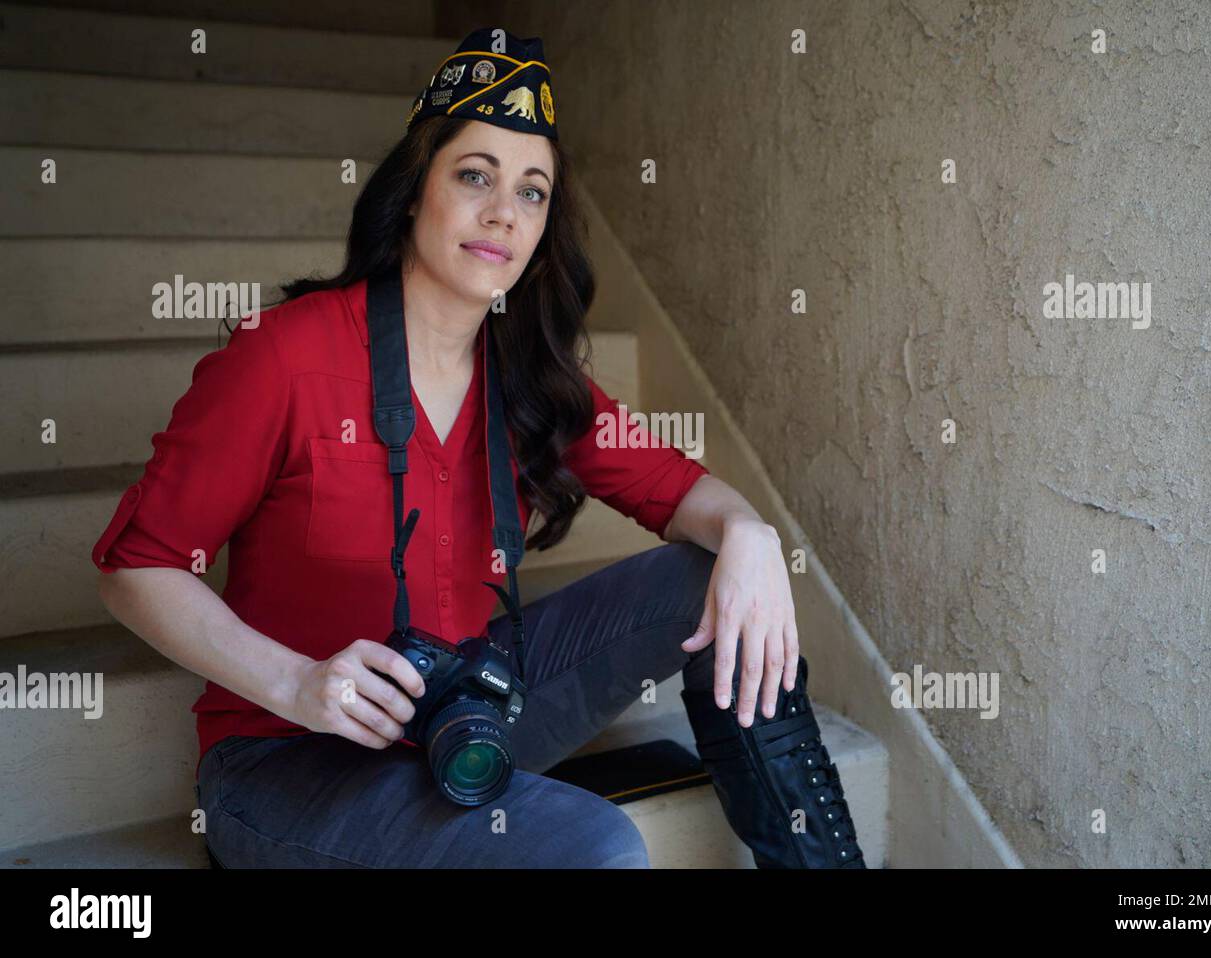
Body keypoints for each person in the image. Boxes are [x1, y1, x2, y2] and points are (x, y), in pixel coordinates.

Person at [92, 27, 864, 868]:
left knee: (713, 573)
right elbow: (138, 566)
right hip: (289, 761)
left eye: (532, 192)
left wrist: (750, 535)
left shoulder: (530, 374)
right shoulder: (283, 354)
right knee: (596, 848)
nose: (504, 211)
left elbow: (685, 495)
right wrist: (296, 684)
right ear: (414, 189)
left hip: (459, 719)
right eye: (474, 176)